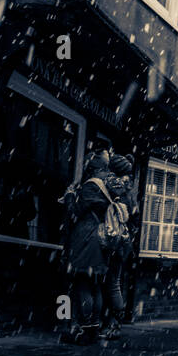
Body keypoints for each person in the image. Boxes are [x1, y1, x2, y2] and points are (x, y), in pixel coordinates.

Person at [63, 146, 112, 344]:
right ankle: (93, 327)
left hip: (86, 238)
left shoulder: (91, 186)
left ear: (91, 170)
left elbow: (76, 211)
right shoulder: (106, 187)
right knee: (95, 285)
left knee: (83, 283)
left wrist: (69, 195)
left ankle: (83, 330)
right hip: (99, 240)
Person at [100, 153, 138, 339]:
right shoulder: (128, 190)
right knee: (114, 282)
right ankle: (113, 322)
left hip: (114, 241)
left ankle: (113, 323)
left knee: (112, 283)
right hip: (123, 242)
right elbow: (133, 218)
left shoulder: (115, 187)